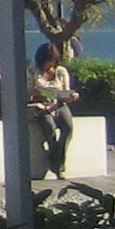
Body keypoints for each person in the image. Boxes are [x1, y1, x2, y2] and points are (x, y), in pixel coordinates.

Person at [27, 40, 77, 177]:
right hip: (41, 106)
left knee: (68, 128)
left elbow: (65, 92)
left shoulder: (61, 72)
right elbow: (31, 92)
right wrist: (47, 93)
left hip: (58, 104)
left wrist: (70, 96)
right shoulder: (33, 72)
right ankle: (59, 166)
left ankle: (56, 160)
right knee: (50, 129)